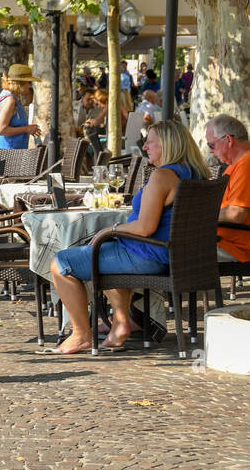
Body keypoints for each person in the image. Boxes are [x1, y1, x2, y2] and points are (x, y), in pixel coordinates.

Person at [48, 119, 210, 353]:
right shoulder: (195, 174)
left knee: (61, 263)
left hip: (148, 254)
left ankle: (81, 334)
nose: (145, 147)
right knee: (103, 252)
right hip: (177, 256)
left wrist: (111, 229)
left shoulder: (163, 176)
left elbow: (144, 228)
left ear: (167, 144)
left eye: (150, 142)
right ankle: (120, 323)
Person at [208, 115, 250, 262]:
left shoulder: (246, 164)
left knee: (171, 247)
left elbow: (236, 213)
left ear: (228, 140)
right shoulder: (237, 164)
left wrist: (201, 217)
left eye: (211, 145)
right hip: (222, 239)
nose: (210, 151)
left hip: (238, 246)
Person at [0, 65, 41, 149]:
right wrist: (26, 129)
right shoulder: (10, 100)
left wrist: (28, 128)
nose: (30, 86)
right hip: (8, 153)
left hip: (14, 151)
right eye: (29, 82)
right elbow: (1, 130)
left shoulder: (11, 96)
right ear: (19, 83)